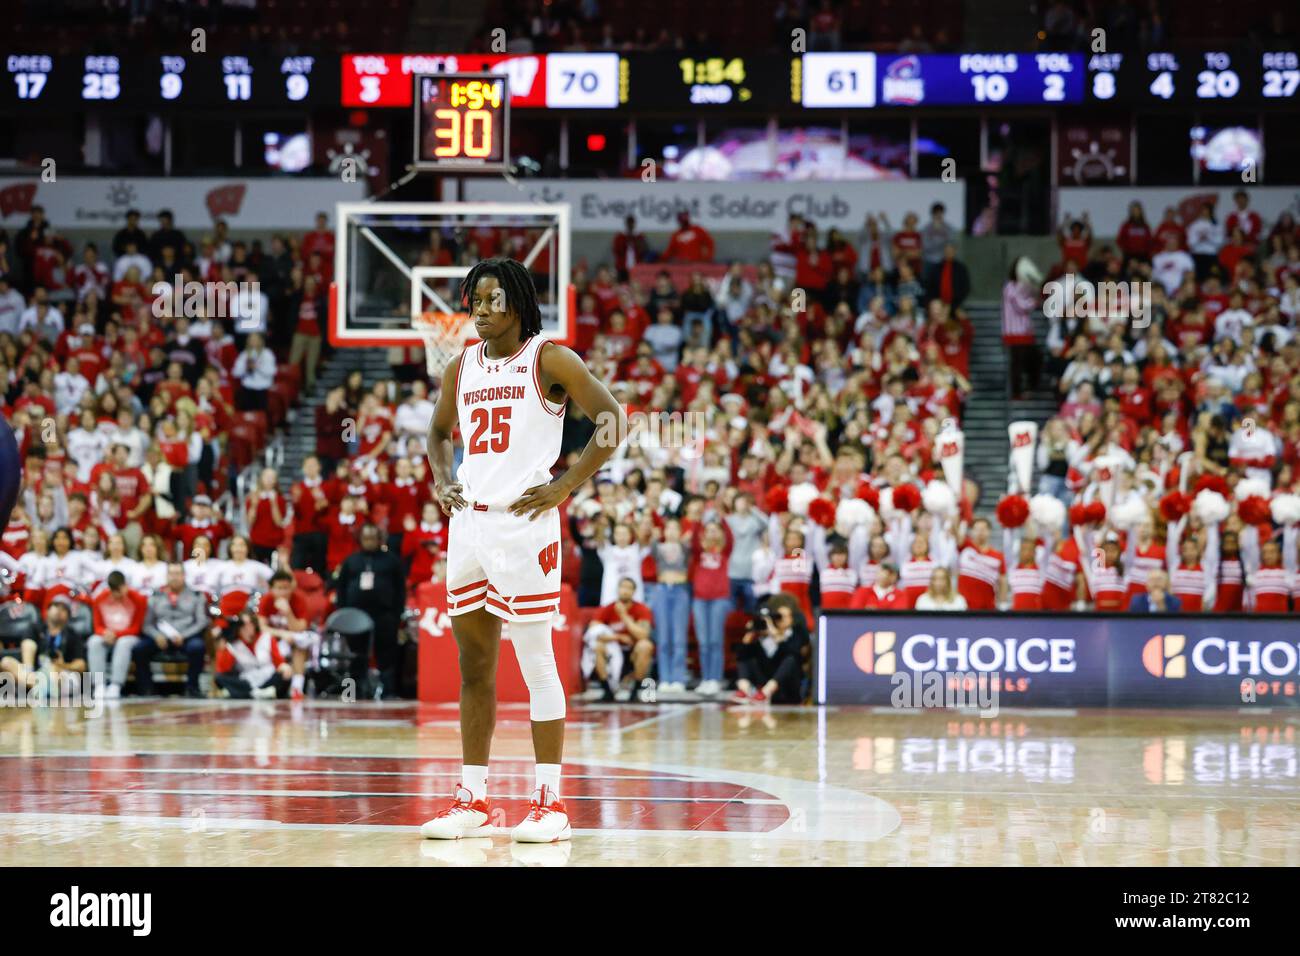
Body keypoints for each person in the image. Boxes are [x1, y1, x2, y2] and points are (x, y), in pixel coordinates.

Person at [421, 257, 626, 844]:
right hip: (469, 526)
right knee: (475, 668)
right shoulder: (461, 366)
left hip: (525, 524)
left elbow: (612, 419)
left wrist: (564, 485)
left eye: (490, 301)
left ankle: (550, 802)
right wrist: (442, 479)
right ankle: (474, 797)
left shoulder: (551, 358)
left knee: (536, 662)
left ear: (516, 302)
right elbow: (438, 434)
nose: (479, 312)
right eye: (473, 302)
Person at [332, 523, 406, 698]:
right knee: (356, 655)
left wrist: (397, 615)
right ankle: (351, 692)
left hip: (384, 615)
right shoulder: (351, 561)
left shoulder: (392, 561)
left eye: (373, 538)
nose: (369, 542)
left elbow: (400, 590)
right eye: (366, 538)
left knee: (387, 654)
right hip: (355, 615)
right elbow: (341, 588)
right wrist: (343, 612)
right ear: (360, 540)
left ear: (379, 539)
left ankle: (389, 692)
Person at [134, 562, 208, 697]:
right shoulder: (156, 595)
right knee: (139, 649)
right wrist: (156, 636)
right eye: (171, 574)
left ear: (184, 576)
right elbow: (147, 624)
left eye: (178, 574)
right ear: (166, 576)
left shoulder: (196, 595)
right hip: (161, 637)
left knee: (197, 647)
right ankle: (146, 689)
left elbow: (202, 621)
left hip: (186, 636)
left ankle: (192, 687)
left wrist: (184, 636)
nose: (174, 577)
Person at [583, 576, 655, 703]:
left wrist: (624, 616)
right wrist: (618, 637)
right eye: (623, 587)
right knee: (597, 645)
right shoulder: (607, 608)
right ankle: (607, 691)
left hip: (632, 653)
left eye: (629, 588)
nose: (625, 591)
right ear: (617, 589)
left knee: (645, 645)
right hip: (613, 652)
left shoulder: (642, 609)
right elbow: (592, 632)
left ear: (634, 592)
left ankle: (635, 692)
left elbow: (643, 635)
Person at [86, 570, 148, 700]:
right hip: (107, 635)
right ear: (110, 589)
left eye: (122, 590)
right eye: (116, 592)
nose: (119, 594)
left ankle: (116, 684)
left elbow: (136, 628)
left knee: (123, 643)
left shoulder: (139, 599)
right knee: (94, 641)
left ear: (126, 585)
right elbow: (97, 626)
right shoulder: (99, 599)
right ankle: (99, 685)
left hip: (128, 636)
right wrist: (104, 633)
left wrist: (116, 634)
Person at [733, 596, 807, 705]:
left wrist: (775, 634)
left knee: (791, 659)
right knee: (745, 657)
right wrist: (749, 635)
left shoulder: (796, 633)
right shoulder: (762, 636)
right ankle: (745, 689)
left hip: (785, 687)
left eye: (783, 617)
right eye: (778, 617)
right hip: (763, 680)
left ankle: (766, 692)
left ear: (791, 618)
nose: (780, 620)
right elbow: (740, 656)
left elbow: (794, 655)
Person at [214, 610, 293, 700]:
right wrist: (223, 646)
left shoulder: (266, 637)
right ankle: (257, 693)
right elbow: (223, 669)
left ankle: (246, 693)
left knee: (286, 674)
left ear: (254, 624)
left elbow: (279, 662)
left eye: (249, 624)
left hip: (268, 678)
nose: (247, 628)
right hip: (247, 680)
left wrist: (284, 667)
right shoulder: (234, 644)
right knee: (219, 678)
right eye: (243, 625)